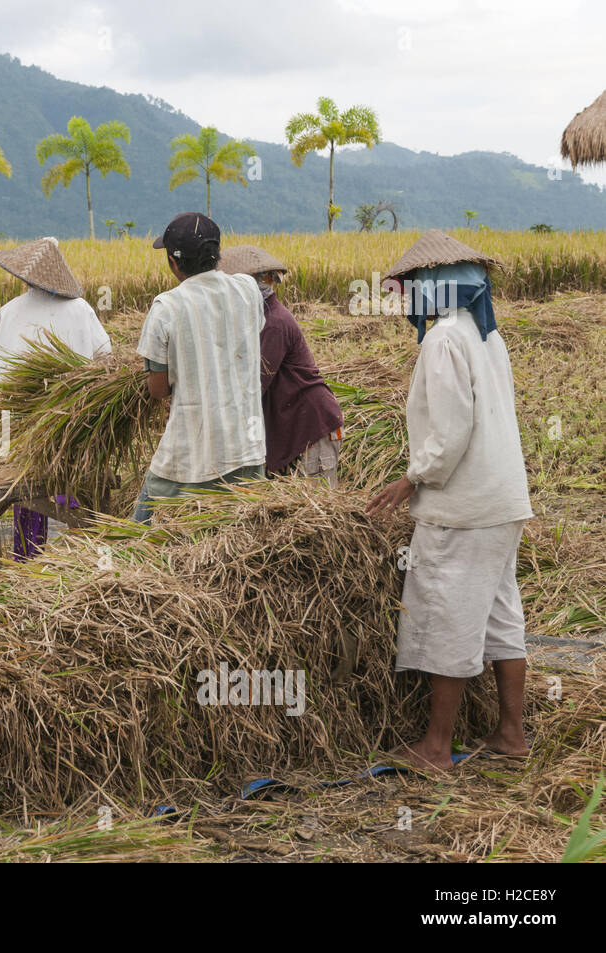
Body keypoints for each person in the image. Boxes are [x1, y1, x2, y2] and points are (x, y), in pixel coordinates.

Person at [366, 230, 532, 772]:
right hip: (502, 500)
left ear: (433, 288)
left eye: (408, 288)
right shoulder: (485, 333)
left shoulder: (443, 340)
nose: (402, 299)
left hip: (464, 508)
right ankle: (511, 734)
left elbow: (452, 431)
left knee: (448, 617)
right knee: (500, 616)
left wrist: (412, 478)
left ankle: (436, 748)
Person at [133, 213, 266, 524]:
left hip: (193, 452)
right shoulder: (248, 289)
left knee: (139, 534)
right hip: (247, 449)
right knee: (235, 535)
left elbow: (158, 390)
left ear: (174, 263)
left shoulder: (166, 307)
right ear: (216, 255)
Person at [0, 237, 110, 559]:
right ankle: (86, 552)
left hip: (22, 429)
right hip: (72, 427)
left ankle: (27, 557)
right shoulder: (81, 310)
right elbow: (105, 358)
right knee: (78, 487)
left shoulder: (8, 312)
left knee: (28, 492)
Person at [218, 245, 344, 485]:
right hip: (294, 425)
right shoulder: (256, 320)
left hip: (311, 427)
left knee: (315, 513)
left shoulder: (273, 323)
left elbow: (253, 384)